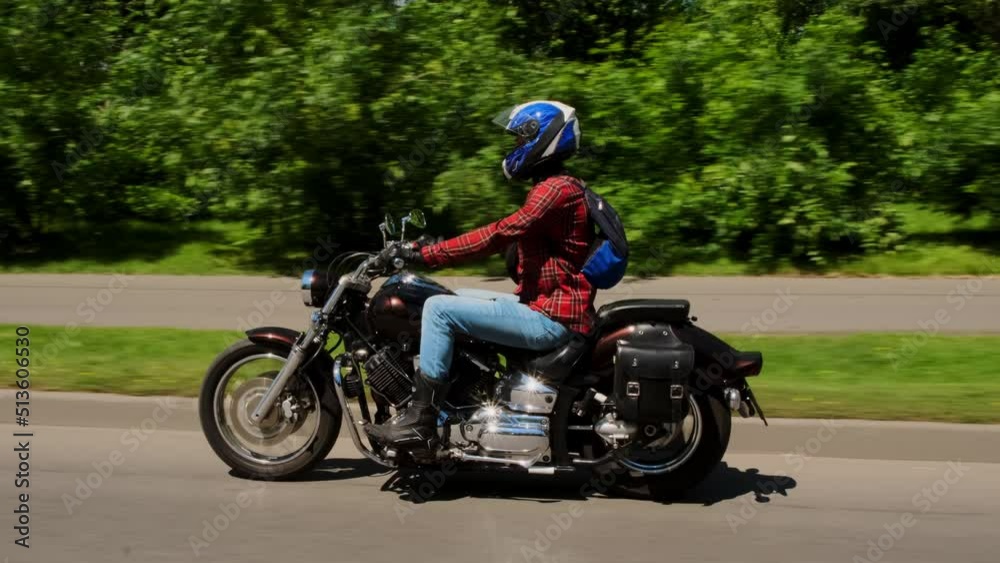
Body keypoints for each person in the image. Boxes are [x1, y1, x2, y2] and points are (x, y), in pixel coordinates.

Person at [366, 100, 597, 448]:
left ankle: (421, 419)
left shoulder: (555, 190)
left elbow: (498, 234)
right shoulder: (558, 186)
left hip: (550, 317)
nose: (515, 147)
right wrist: (428, 247)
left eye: (521, 140)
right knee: (449, 298)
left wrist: (427, 254)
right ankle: (462, 397)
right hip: (544, 305)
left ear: (544, 139)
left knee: (438, 310)